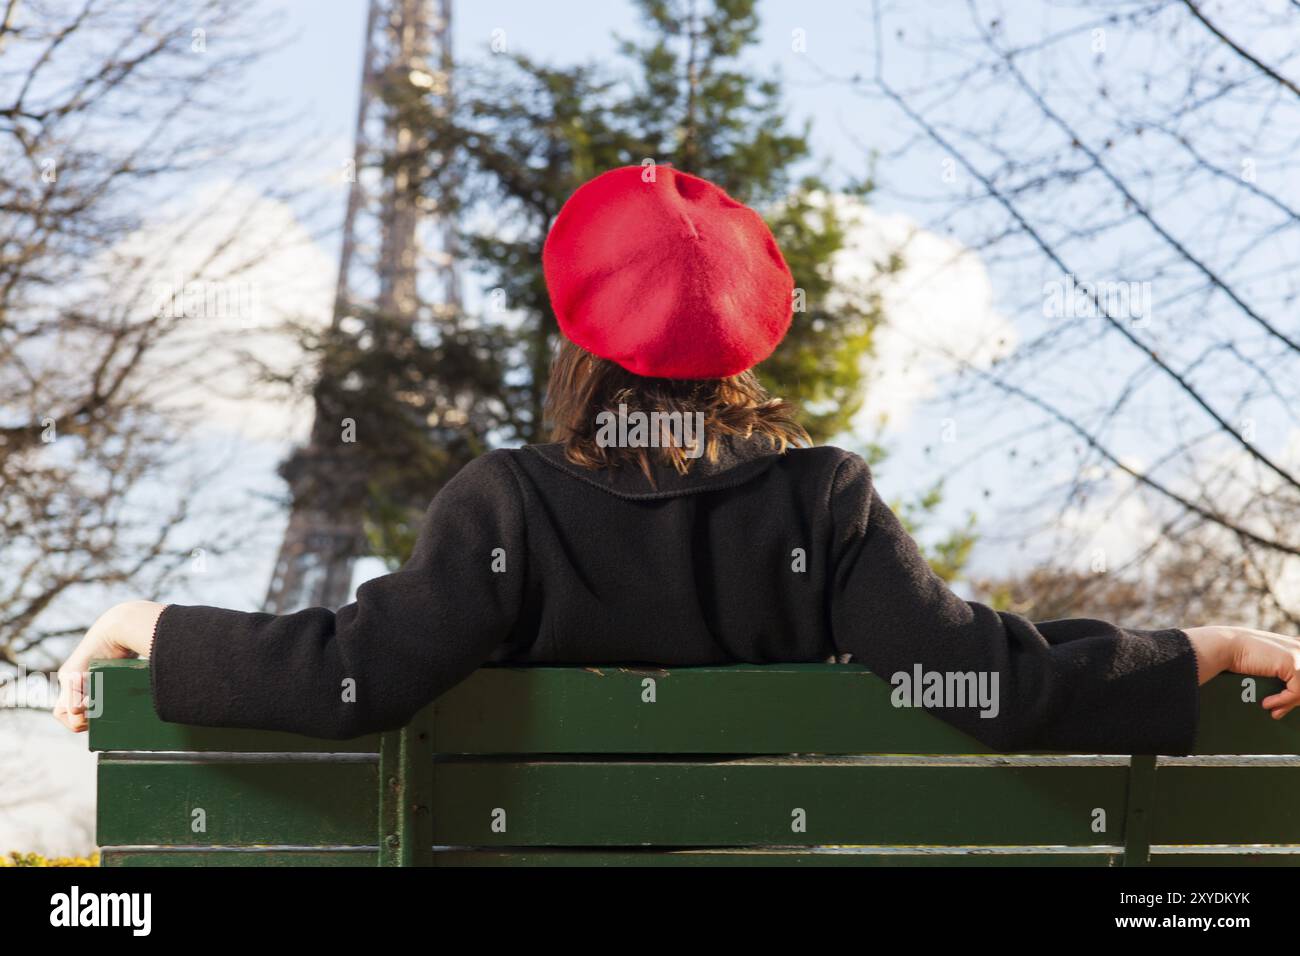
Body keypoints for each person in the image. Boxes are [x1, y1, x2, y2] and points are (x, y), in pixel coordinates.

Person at [54, 164, 1300, 753]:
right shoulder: (823, 503)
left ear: (579, 333)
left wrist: (143, 619)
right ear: (741, 346)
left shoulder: (509, 505)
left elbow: (346, 679)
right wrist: (1204, 648)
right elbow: (993, 684)